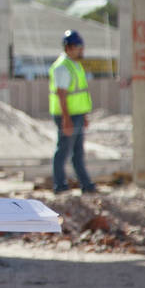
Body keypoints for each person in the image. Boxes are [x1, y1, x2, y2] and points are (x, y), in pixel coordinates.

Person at [48, 30, 96, 194]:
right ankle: (60, 186)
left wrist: (83, 115)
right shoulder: (62, 67)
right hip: (66, 115)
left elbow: (79, 93)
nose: (81, 50)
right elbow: (62, 94)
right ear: (68, 47)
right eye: (78, 47)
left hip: (76, 114)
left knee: (78, 153)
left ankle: (86, 185)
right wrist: (66, 119)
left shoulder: (74, 65)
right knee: (63, 150)